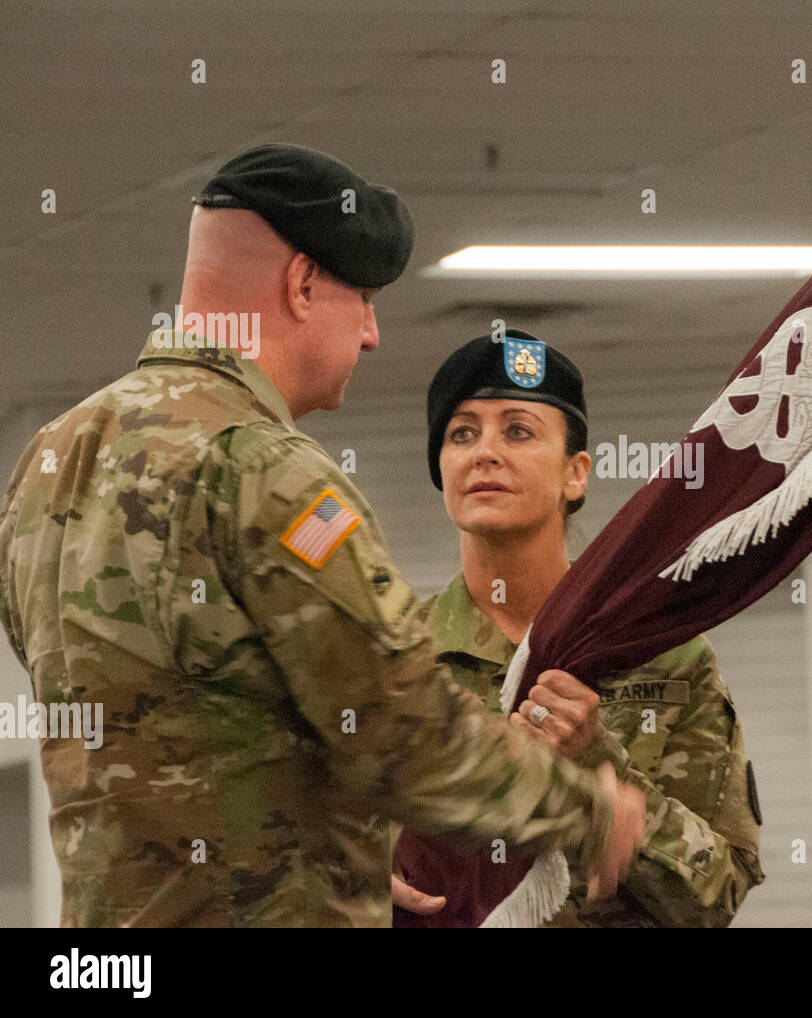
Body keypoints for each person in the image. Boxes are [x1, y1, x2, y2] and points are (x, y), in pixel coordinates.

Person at [0, 145, 644, 927]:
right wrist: (588, 808)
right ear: (303, 285)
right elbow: (403, 727)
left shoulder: (53, 457)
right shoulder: (268, 471)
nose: (371, 334)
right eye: (363, 298)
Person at [390, 330, 765, 927]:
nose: (485, 452)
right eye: (462, 433)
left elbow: (718, 894)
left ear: (575, 474)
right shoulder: (393, 653)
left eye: (518, 431)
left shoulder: (660, 652)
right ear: (442, 468)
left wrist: (598, 765)